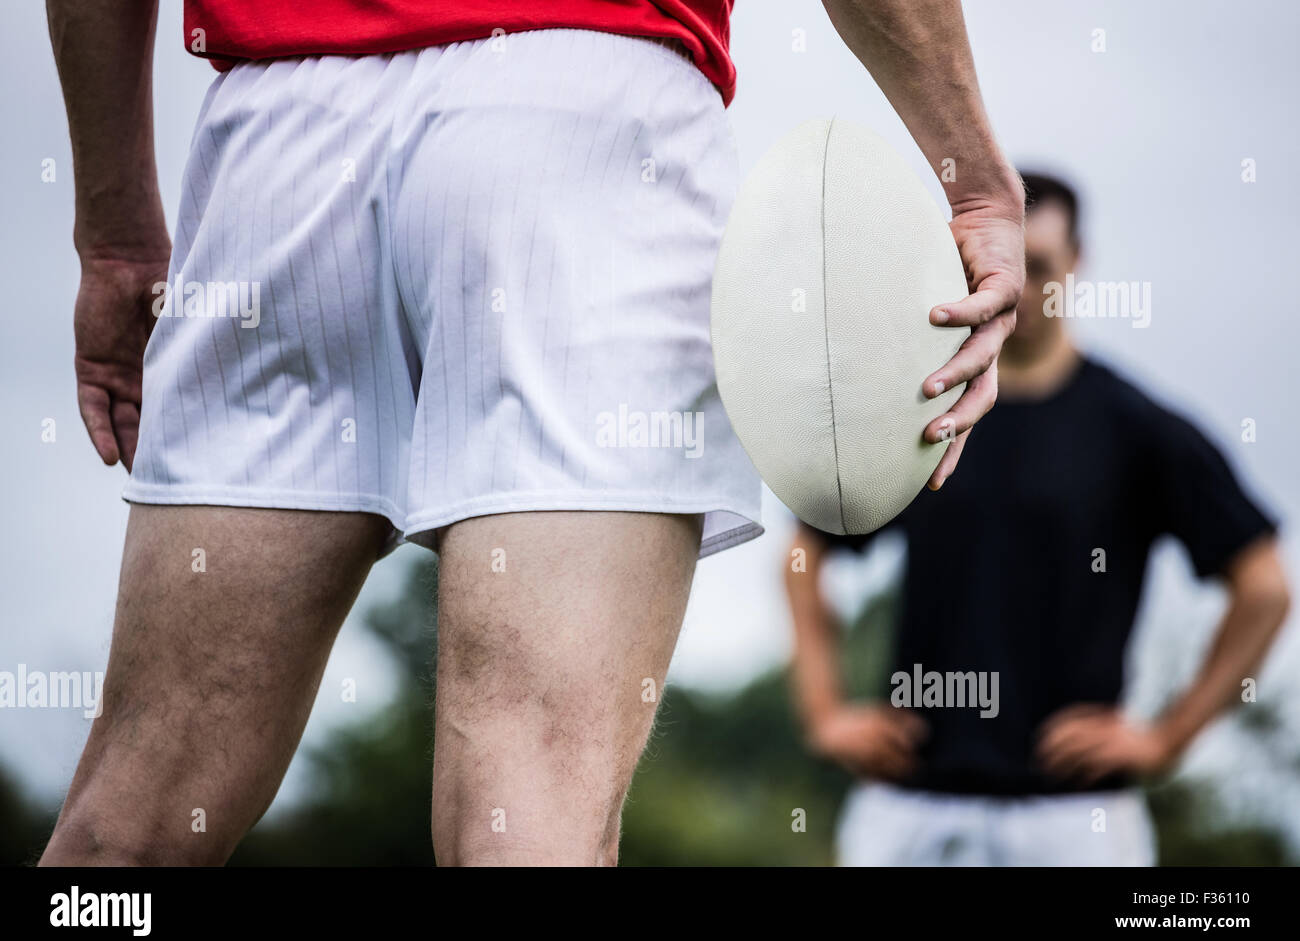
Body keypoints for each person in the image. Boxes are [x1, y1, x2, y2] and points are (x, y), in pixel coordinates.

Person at [42, 0, 1023, 866]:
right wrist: (972, 176)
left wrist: (116, 229)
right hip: (583, 110)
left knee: (128, 823)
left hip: (280, 136)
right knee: (528, 821)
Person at [787, 172, 1291, 866]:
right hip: (907, 806)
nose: (1015, 290)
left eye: (1039, 268)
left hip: (1075, 819)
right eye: (996, 270)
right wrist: (825, 711)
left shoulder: (1139, 430)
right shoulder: (922, 412)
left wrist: (1165, 738)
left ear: (1077, 263)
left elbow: (1264, 586)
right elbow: (805, 553)